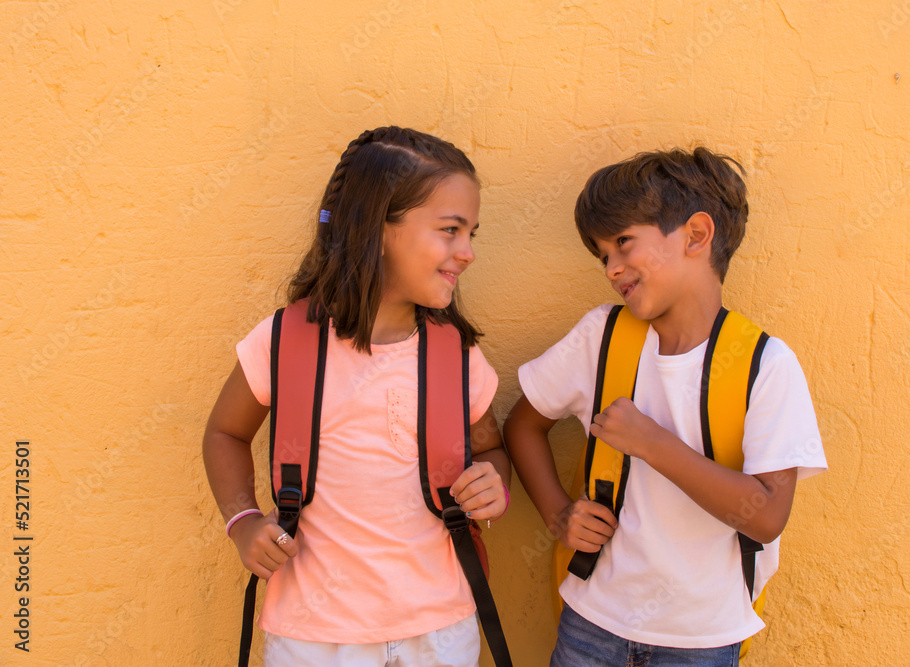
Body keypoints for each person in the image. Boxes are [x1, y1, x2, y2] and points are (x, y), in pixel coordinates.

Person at [505, 147, 828, 666]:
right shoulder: (601, 338)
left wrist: (653, 444)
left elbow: (766, 516)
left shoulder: (766, 364)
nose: (611, 268)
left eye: (623, 244)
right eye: (601, 254)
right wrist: (558, 513)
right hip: (594, 622)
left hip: (702, 640)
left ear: (696, 236)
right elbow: (523, 425)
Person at [202, 126, 510, 666]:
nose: (467, 252)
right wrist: (242, 521)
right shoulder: (284, 342)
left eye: (473, 234)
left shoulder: (454, 356)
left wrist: (494, 481)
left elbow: (490, 448)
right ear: (378, 228)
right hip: (313, 634)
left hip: (439, 629)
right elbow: (225, 433)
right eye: (450, 230)